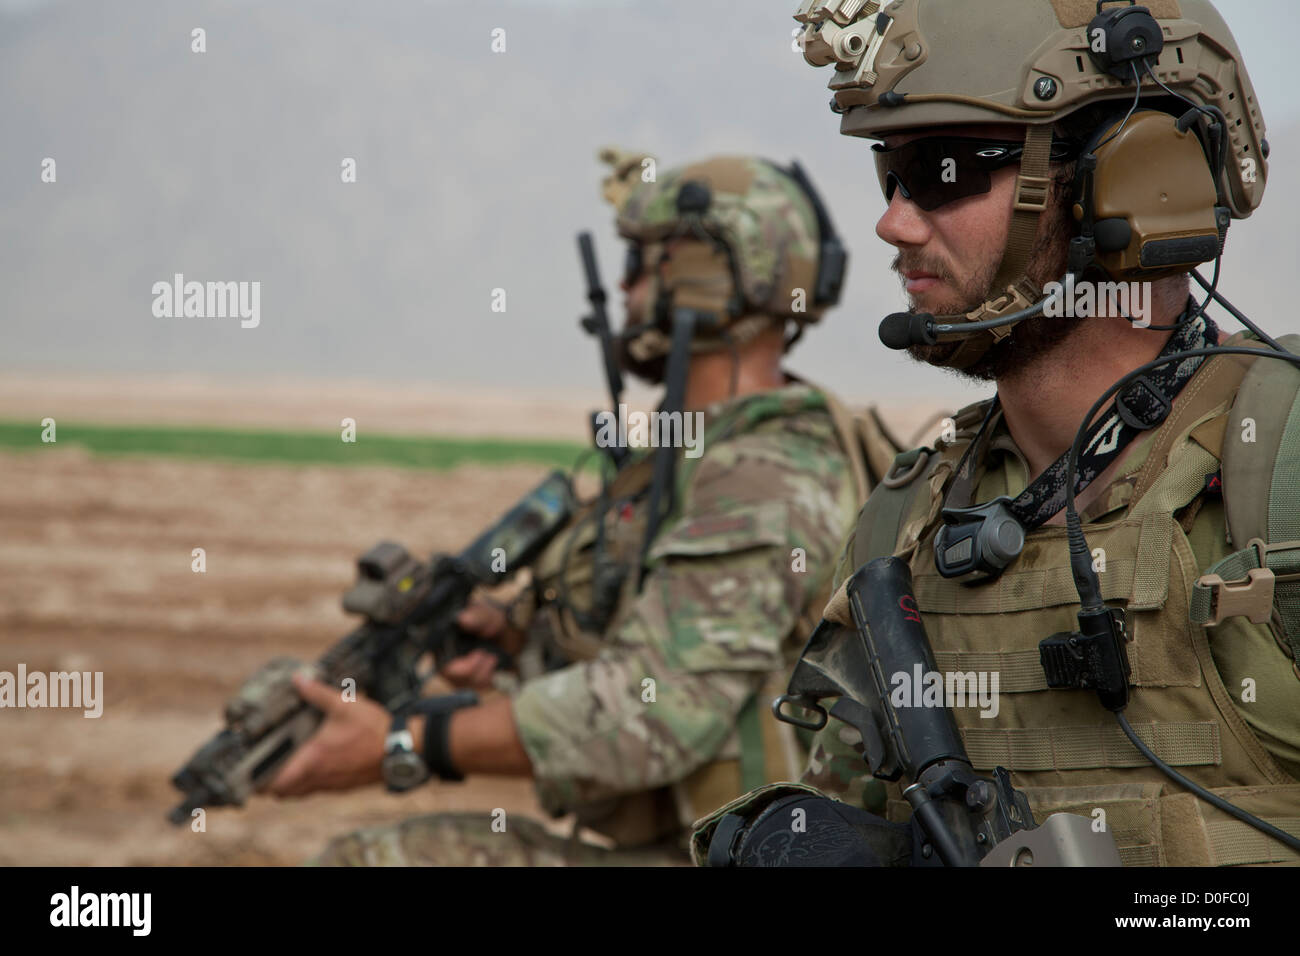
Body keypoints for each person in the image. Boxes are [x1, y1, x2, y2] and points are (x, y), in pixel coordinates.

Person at [696, 0, 1300, 867]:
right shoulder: (905, 525)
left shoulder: (1278, 465)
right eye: (890, 172)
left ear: (1128, 177)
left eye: (943, 169)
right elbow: (861, 795)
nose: (894, 222)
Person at [266, 149, 900, 865]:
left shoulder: (767, 469)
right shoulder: (691, 454)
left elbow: (656, 709)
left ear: (702, 275)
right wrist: (514, 649)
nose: (623, 291)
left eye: (639, 263)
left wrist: (404, 744)